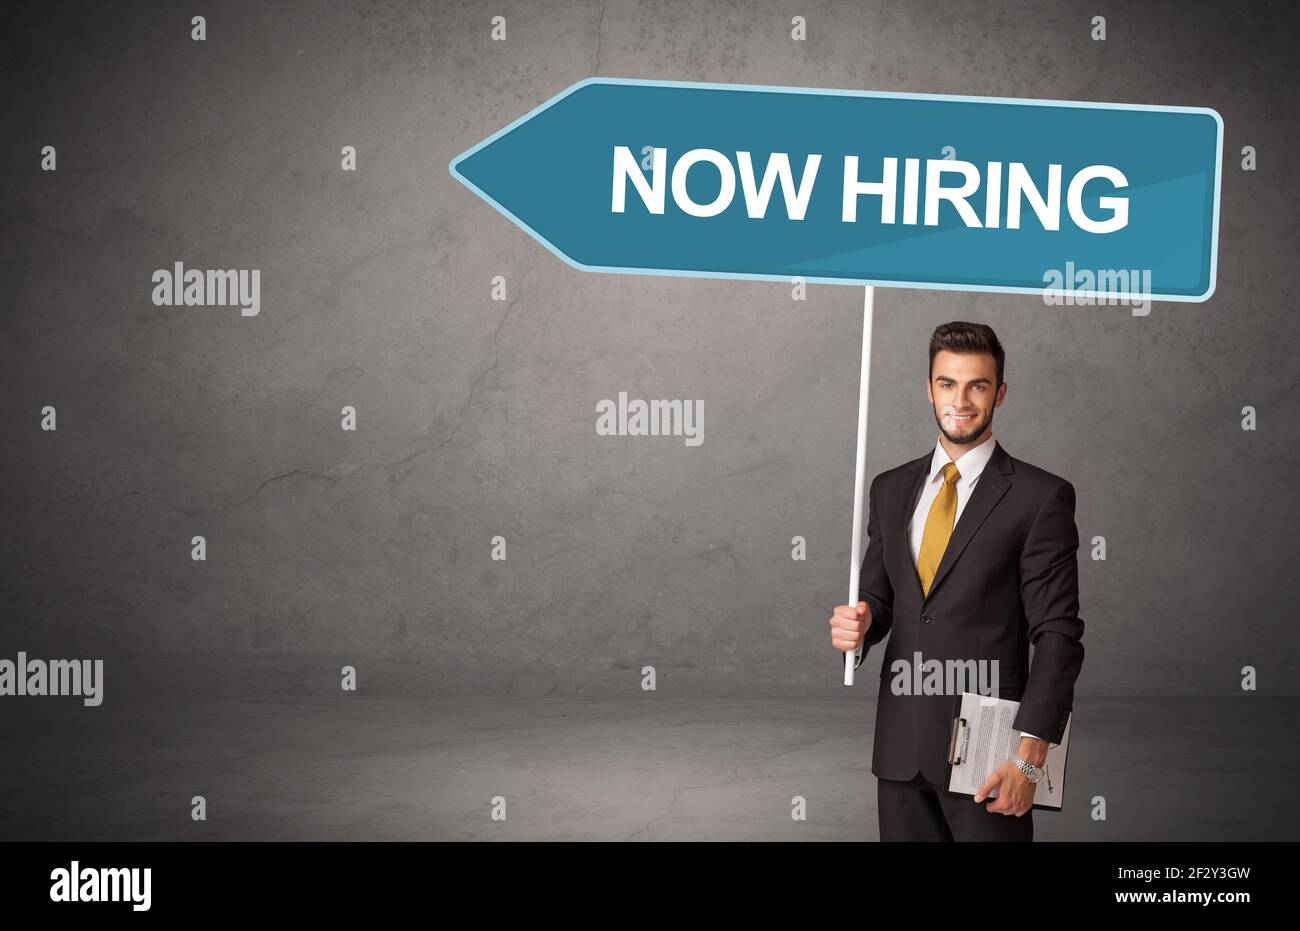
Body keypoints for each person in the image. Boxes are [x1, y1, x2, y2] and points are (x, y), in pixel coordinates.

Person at [829, 321, 1084, 841]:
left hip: (990, 754)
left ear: (1000, 393)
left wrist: (1030, 757)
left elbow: (1058, 636)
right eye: (947, 383)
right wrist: (860, 625)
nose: (960, 400)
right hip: (901, 751)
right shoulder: (889, 488)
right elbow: (881, 595)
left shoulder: (1041, 497)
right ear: (929, 388)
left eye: (978, 385)